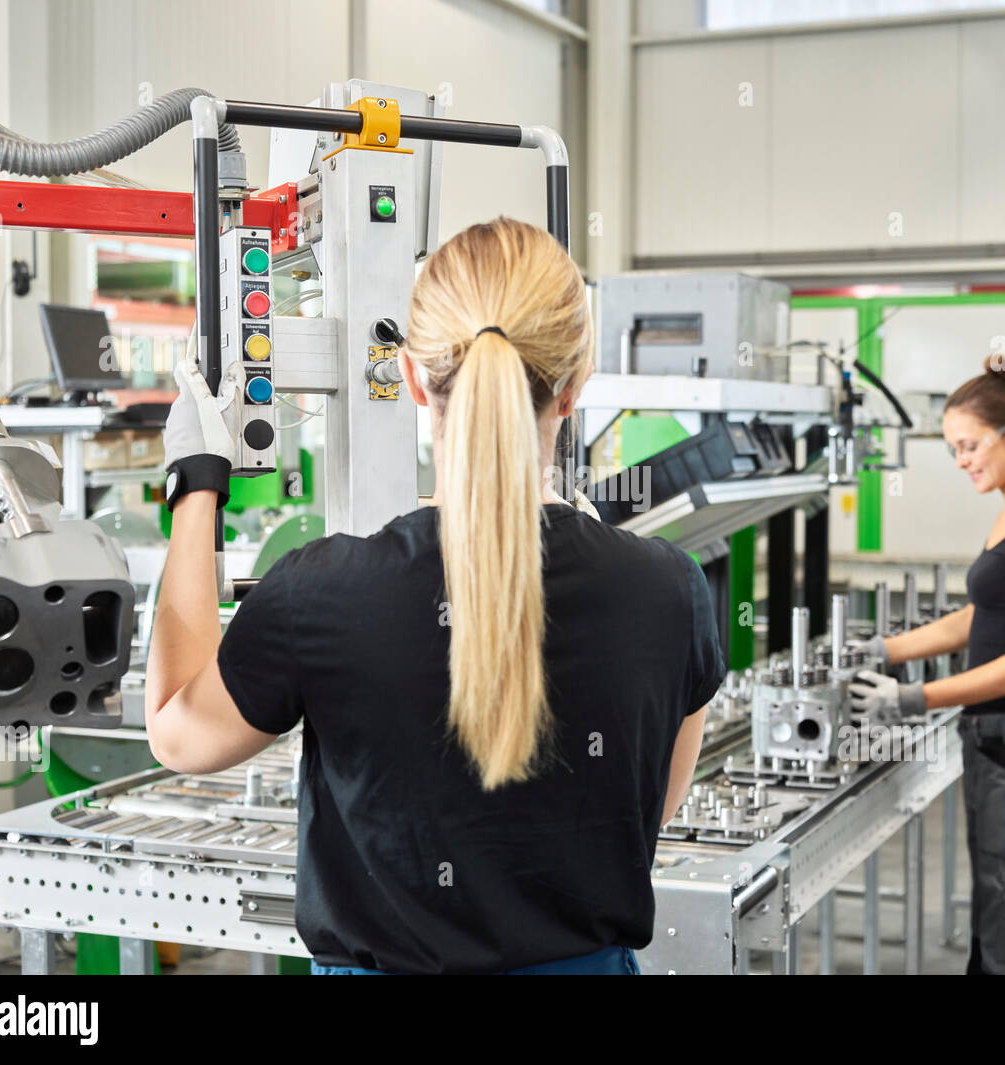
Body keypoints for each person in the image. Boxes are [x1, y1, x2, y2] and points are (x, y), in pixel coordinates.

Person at [144, 217, 725, 975]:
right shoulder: (669, 591)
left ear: (415, 377)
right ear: (574, 388)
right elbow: (650, 808)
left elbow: (177, 734)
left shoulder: (323, 590)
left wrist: (195, 481)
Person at [848, 356, 1005, 975]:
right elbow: (982, 616)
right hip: (997, 747)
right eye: (954, 449)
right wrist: (886, 651)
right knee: (997, 915)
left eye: (969, 446)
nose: (962, 461)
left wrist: (912, 699)